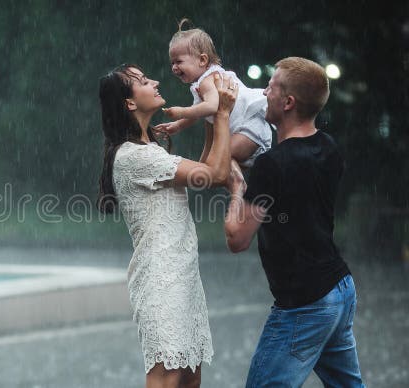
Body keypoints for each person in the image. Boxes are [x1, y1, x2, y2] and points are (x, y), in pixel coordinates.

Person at [223, 57, 365, 387]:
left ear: (288, 103)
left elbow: (237, 238)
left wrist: (237, 188)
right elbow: (293, 186)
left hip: (306, 302)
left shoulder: (273, 165)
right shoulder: (329, 148)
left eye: (271, 87)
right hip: (340, 290)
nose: (263, 92)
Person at [98, 64, 238, 387]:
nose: (156, 81)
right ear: (129, 103)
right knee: (168, 377)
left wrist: (210, 113)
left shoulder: (150, 149)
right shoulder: (134, 156)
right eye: (144, 81)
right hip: (161, 278)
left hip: (182, 274)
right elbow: (214, 176)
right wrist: (222, 115)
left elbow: (205, 168)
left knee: (189, 376)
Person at [155, 19, 273, 168]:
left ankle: (237, 183)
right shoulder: (205, 80)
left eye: (179, 61)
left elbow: (210, 107)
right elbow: (198, 110)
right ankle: (237, 183)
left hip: (248, 130)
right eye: (172, 63)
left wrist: (181, 112)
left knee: (218, 160)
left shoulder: (208, 80)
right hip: (246, 131)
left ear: (202, 60)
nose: (174, 67)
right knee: (219, 162)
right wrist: (178, 125)